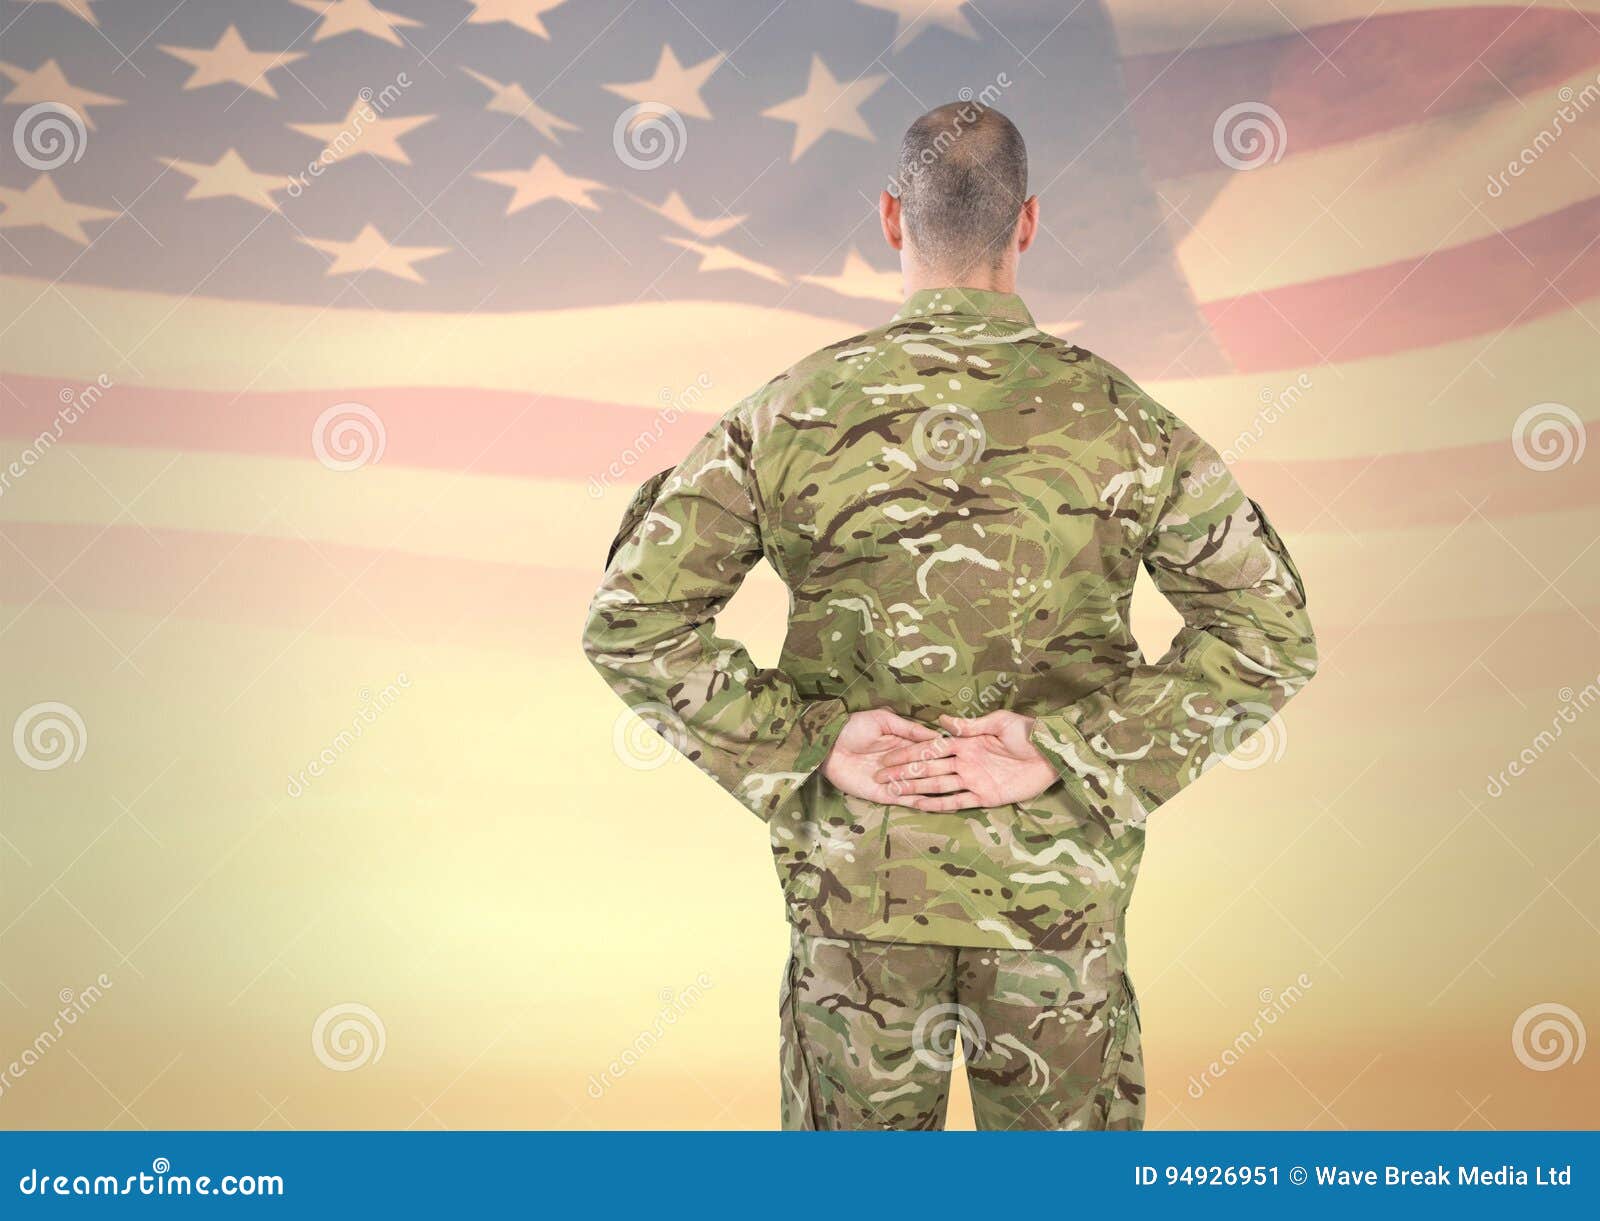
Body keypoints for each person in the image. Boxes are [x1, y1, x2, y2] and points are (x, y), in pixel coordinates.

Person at [582, 102, 1317, 1130]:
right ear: (1026, 224)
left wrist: (811, 744)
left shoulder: (790, 413)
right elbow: (1268, 633)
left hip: (857, 904)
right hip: (1056, 907)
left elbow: (632, 620)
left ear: (890, 218)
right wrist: (1068, 749)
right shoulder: (1122, 420)